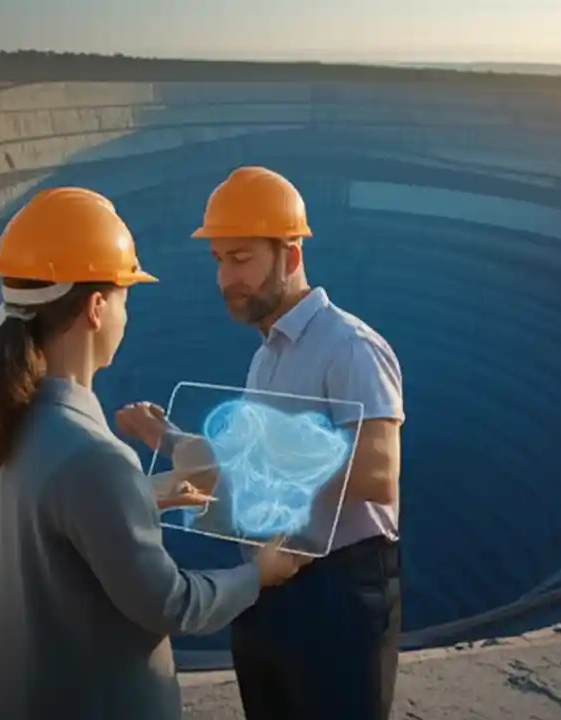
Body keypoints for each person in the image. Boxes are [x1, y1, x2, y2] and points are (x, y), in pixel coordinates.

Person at [0, 186, 307, 720]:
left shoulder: (20, 420)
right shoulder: (93, 457)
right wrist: (257, 575)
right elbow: (172, 604)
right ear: (96, 308)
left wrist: (147, 495)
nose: (127, 314)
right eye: (125, 297)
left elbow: (58, 519)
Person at [116, 166, 405, 719]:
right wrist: (168, 438)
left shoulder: (350, 346)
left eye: (241, 259)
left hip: (338, 590)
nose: (226, 278)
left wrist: (260, 468)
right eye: (219, 260)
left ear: (290, 256)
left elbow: (377, 471)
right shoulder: (264, 359)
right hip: (266, 579)